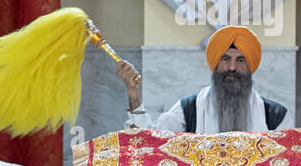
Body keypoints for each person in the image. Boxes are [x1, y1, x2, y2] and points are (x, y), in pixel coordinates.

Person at [118, 25, 291, 132]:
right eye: (225, 59)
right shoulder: (189, 110)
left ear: (250, 66)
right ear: (215, 63)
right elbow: (148, 143)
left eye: (241, 60)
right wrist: (133, 92)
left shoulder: (275, 117)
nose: (232, 67)